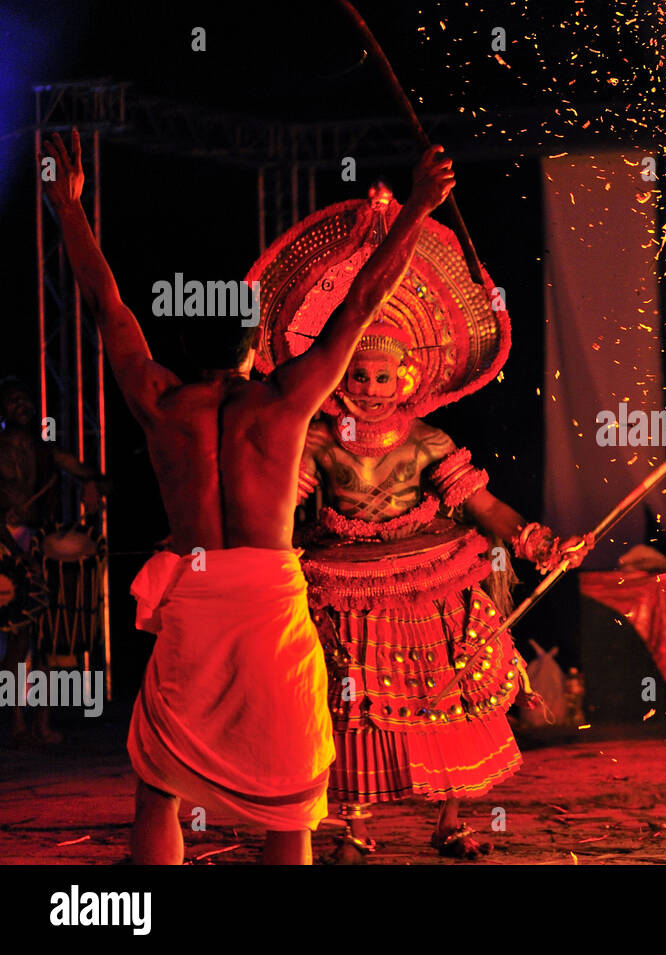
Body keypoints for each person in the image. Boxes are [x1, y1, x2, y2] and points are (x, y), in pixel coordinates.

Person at [44, 127, 456, 863]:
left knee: (159, 784)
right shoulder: (285, 400)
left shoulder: (161, 404)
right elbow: (362, 304)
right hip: (267, 602)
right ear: (251, 343)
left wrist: (67, 210)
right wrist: (417, 208)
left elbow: (107, 307)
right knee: (289, 799)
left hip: (196, 603)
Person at [297, 322, 591, 861]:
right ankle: (356, 830)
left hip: (428, 576)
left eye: (381, 376)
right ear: (340, 379)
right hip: (347, 584)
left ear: (404, 380)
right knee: (353, 701)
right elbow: (277, 504)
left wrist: (543, 545)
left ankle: (450, 823)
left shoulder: (428, 440)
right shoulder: (317, 438)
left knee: (448, 693)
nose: (368, 387)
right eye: (358, 375)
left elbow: (486, 508)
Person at [0, 376, 107, 743]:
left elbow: (87, 472)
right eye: (13, 401)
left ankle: (42, 722)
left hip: (38, 545)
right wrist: (12, 553)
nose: (22, 406)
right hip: (6, 546)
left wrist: (92, 484)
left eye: (25, 400)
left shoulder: (47, 450)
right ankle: (15, 721)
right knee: (17, 640)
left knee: (44, 639)